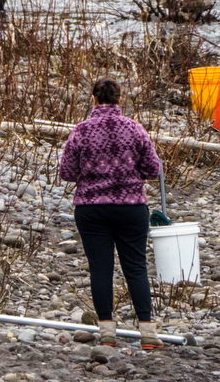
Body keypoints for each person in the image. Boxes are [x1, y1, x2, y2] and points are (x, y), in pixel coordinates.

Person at [57, 78, 165, 349]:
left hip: (91, 209)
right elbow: (153, 169)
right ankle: (148, 332)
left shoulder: (81, 131)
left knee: (101, 269)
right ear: (120, 100)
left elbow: (66, 172)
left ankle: (106, 331)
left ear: (93, 99)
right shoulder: (135, 129)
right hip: (131, 207)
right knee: (136, 267)